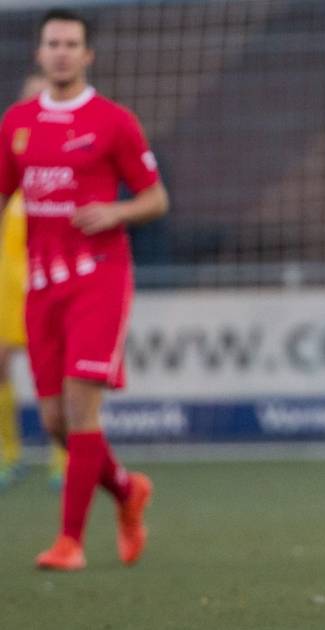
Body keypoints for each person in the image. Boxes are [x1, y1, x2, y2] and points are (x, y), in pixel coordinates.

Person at [0, 8, 168, 570]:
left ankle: (69, 542)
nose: (62, 52)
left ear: (87, 54)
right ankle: (125, 490)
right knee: (54, 423)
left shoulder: (113, 121)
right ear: (39, 52)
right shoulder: (17, 123)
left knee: (80, 408)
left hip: (99, 280)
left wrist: (116, 211)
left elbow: (156, 198)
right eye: (53, 43)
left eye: (72, 44)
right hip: (40, 286)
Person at [1, 73, 69, 491]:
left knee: (59, 373)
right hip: (8, 286)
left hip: (49, 282)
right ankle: (9, 454)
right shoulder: (10, 163)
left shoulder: (66, 166)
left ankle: (63, 459)